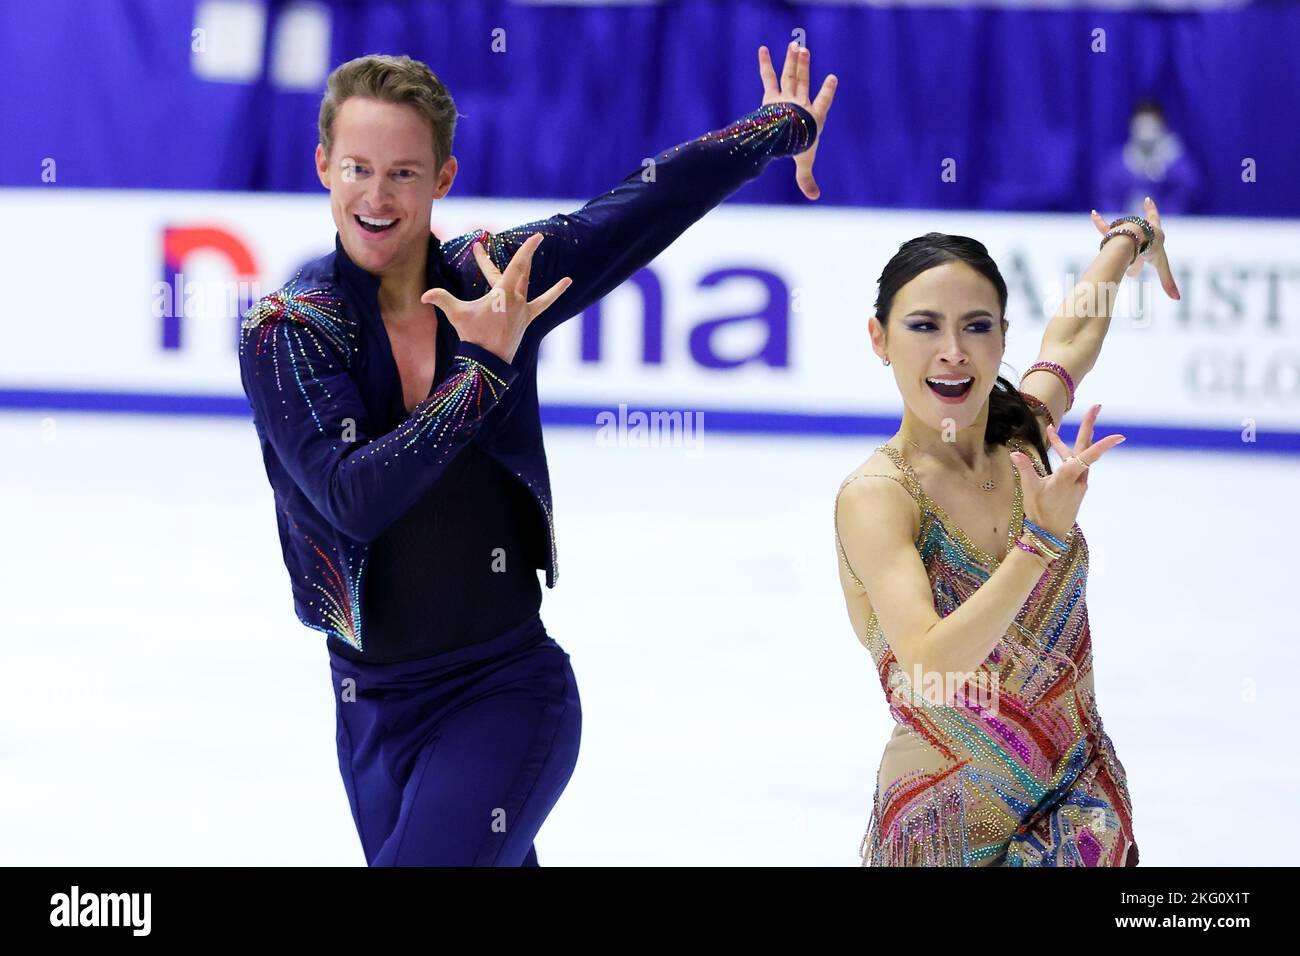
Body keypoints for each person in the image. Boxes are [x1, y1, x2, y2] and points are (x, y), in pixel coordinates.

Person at [239, 47, 835, 865]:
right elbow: (353, 497)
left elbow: (634, 209)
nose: (377, 197)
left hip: (506, 690)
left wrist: (780, 126)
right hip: (369, 705)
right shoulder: (290, 331)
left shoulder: (500, 280)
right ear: (322, 167)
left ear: (443, 177)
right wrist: (478, 375)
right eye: (358, 169)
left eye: (405, 174)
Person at [833, 198, 1178, 866]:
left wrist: (1130, 239)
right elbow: (930, 666)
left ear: (1001, 336)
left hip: (1081, 805)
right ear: (880, 338)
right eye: (924, 326)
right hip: (946, 825)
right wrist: (1038, 545)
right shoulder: (878, 497)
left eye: (976, 326)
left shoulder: (1024, 434)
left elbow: (1071, 338)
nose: (953, 353)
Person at [1098, 99, 1201, 216]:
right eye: (1141, 123)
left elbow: (1186, 195)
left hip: (1168, 227)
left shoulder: (1177, 161)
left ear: (1162, 126)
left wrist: (1165, 171)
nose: (1146, 128)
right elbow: (1107, 198)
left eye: (1151, 123)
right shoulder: (1117, 162)